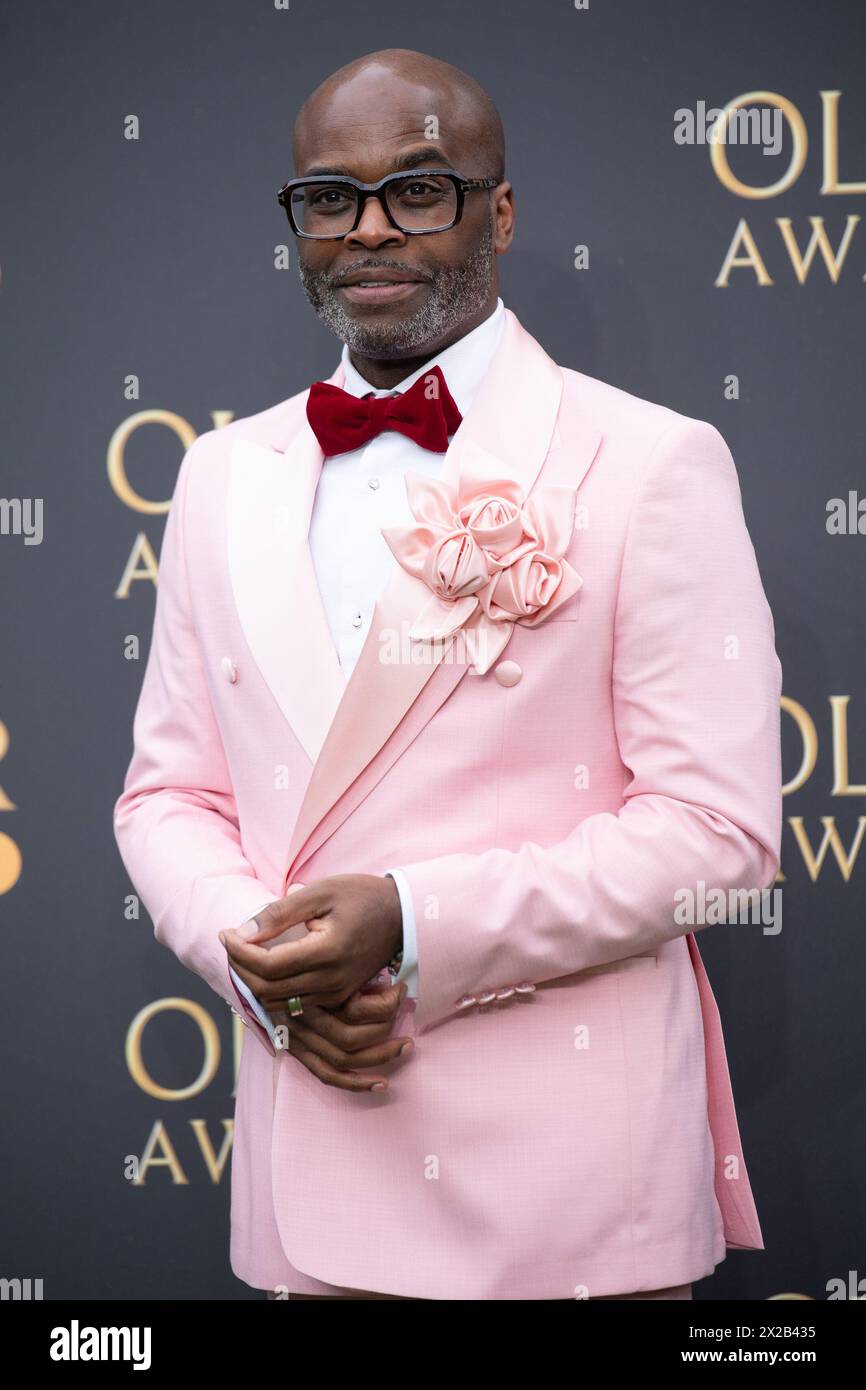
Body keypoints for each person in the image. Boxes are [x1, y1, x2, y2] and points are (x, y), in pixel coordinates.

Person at [113, 47, 782, 1301]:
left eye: (417, 190)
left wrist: (412, 923)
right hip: (311, 1182)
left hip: (574, 1205)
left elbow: (716, 833)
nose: (368, 230)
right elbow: (169, 796)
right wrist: (257, 965)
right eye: (329, 197)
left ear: (501, 212)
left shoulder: (650, 463)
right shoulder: (218, 476)